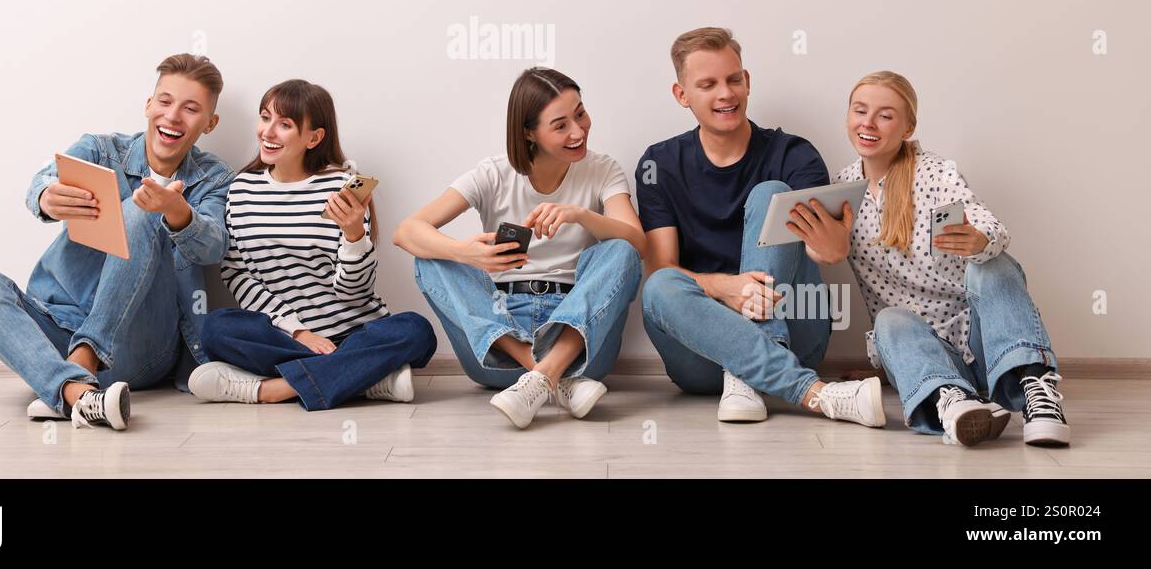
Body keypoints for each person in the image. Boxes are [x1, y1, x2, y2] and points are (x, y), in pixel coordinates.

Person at [0, 53, 235, 431]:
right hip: (62, 324)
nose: (173, 117)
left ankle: (83, 361)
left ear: (209, 123)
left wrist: (177, 213)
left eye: (191, 109)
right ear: (149, 104)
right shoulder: (101, 150)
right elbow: (44, 179)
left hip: (140, 346)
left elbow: (215, 245)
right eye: (166, 102)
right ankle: (77, 395)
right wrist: (44, 196)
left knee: (140, 210)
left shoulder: (213, 177)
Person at [637, 27, 885, 428]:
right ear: (682, 95)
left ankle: (746, 374)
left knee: (771, 192)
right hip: (703, 353)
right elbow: (662, 267)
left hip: (795, 333)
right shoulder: (659, 164)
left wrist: (833, 243)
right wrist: (726, 288)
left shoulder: (794, 154)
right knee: (658, 287)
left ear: (747, 81)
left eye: (734, 79)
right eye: (708, 84)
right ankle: (811, 392)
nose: (726, 93)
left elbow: (831, 252)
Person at [821, 70, 1068, 446]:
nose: (868, 123)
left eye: (885, 115)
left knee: (993, 262)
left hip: (986, 346)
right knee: (889, 319)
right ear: (848, 117)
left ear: (908, 127)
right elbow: (823, 250)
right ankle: (953, 402)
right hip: (924, 352)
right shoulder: (842, 190)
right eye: (859, 111)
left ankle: (1034, 387)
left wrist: (978, 239)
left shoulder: (936, 174)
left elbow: (992, 228)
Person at [395, 67, 645, 429]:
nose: (578, 131)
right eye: (560, 126)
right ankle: (550, 376)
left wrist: (581, 215)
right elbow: (406, 231)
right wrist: (465, 252)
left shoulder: (602, 170)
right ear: (529, 132)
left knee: (620, 250)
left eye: (580, 113)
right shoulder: (493, 173)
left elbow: (638, 243)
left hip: (578, 339)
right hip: (500, 338)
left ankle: (547, 373)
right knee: (430, 257)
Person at [188, 79, 437, 409]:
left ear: (314, 137)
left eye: (285, 124)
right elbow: (238, 275)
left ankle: (273, 390)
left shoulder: (340, 188)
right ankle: (366, 379)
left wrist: (353, 235)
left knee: (416, 330)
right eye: (265, 118)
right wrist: (299, 333)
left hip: (355, 335)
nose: (268, 132)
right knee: (217, 329)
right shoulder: (242, 190)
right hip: (287, 337)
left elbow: (354, 293)